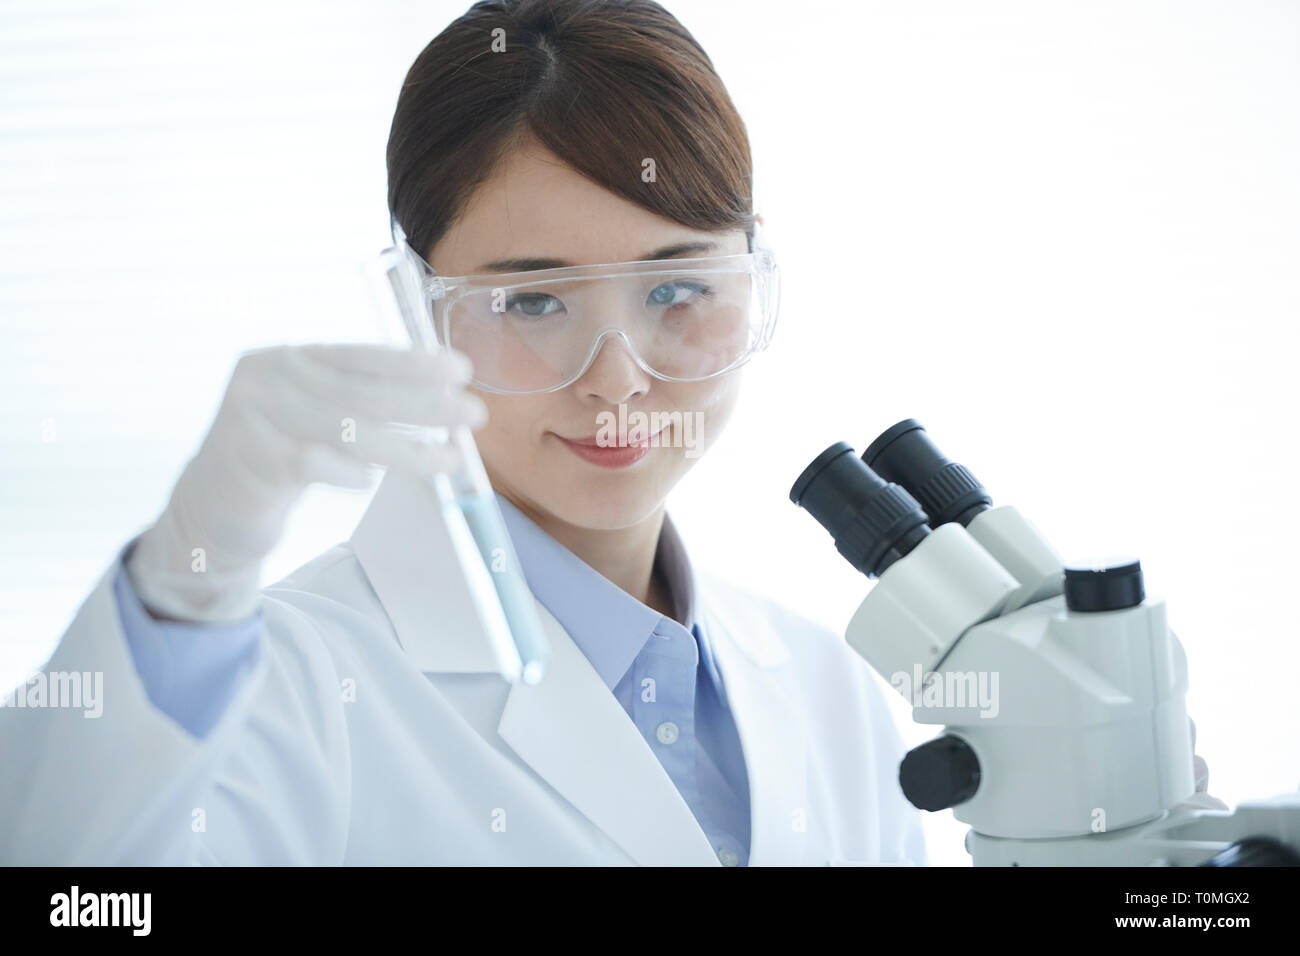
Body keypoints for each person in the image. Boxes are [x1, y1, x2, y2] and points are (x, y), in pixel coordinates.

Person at [0, 0, 1218, 866]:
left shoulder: (824, 685)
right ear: (414, 304)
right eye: (532, 300)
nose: (618, 379)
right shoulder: (295, 686)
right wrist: (181, 581)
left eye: (678, 288)